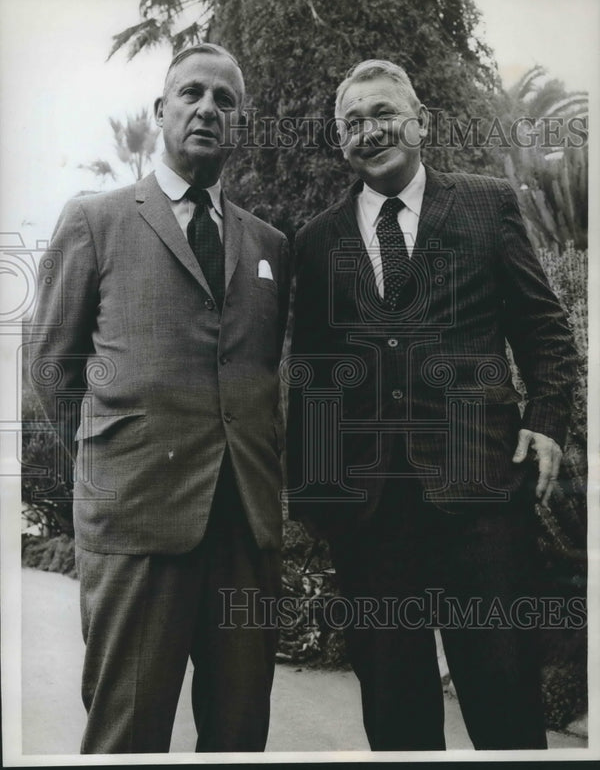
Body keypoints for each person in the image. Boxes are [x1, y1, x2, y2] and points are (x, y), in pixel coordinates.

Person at [286, 59, 577, 751]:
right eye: (351, 123)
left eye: (383, 112)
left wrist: (547, 423)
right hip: (372, 521)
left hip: (480, 508)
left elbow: (546, 333)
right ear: (339, 142)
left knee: (506, 711)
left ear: (421, 121)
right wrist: (320, 500)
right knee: (397, 721)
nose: (369, 131)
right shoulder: (318, 242)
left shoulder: (485, 203)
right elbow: (314, 377)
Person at [30, 44, 290, 753]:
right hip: (138, 523)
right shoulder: (96, 219)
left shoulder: (269, 244)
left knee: (240, 733)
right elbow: (53, 370)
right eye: (192, 93)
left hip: (245, 528)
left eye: (225, 100)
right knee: (128, 733)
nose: (208, 108)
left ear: (239, 121)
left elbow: (269, 381)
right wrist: (115, 462)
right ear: (161, 110)